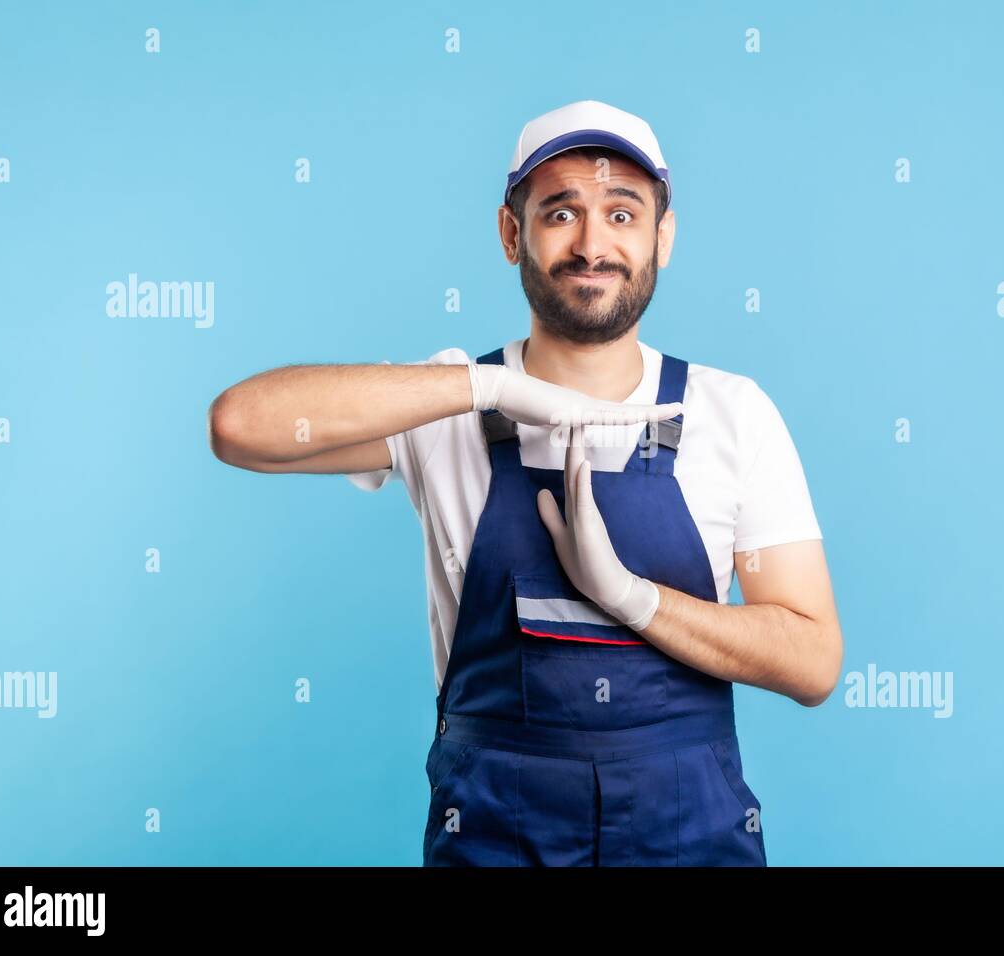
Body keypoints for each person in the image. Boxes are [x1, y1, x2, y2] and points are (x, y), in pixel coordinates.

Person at [208, 100, 843, 866]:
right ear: (513, 234)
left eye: (621, 213)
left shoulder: (731, 414)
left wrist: (634, 599)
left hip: (692, 837)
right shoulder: (442, 411)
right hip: (493, 840)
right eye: (560, 212)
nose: (592, 244)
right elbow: (238, 426)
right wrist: (481, 390)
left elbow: (812, 662)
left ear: (661, 238)